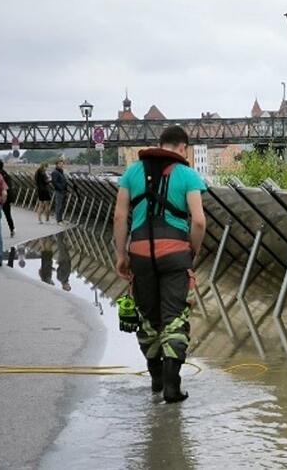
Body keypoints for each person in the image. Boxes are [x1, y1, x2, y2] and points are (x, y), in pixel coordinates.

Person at [114, 125, 206, 403]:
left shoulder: (132, 172)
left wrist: (121, 254)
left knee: (149, 319)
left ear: (160, 143)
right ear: (183, 148)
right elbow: (199, 221)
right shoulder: (188, 174)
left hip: (140, 252)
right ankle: (172, 386)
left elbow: (119, 217)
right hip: (176, 252)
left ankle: (155, 379)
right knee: (175, 318)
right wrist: (192, 252)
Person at [0, 160, 15, 238]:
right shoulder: (5, 174)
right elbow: (9, 187)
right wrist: (10, 199)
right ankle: (12, 229)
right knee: (8, 215)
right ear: (2, 165)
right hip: (5, 197)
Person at [51, 159, 68, 224]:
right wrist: (61, 188)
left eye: (62, 164)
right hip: (59, 191)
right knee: (59, 206)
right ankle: (58, 220)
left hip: (63, 191)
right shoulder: (55, 172)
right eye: (60, 164)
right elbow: (54, 182)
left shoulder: (61, 172)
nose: (61, 165)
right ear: (57, 165)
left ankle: (61, 219)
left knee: (62, 206)